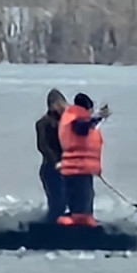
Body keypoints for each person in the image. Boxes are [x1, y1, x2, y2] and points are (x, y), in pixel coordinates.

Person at [55, 93, 109, 226]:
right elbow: (82, 127)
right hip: (77, 168)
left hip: (78, 168)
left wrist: (98, 118)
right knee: (81, 197)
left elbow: (87, 125)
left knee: (84, 196)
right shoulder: (75, 118)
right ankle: (80, 221)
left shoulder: (72, 117)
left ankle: (81, 217)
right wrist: (98, 117)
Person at [35, 89, 68, 220]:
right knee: (57, 203)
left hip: (70, 169)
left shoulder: (70, 123)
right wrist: (56, 162)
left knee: (74, 202)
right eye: (57, 104)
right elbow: (42, 146)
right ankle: (51, 228)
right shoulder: (42, 123)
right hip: (51, 168)